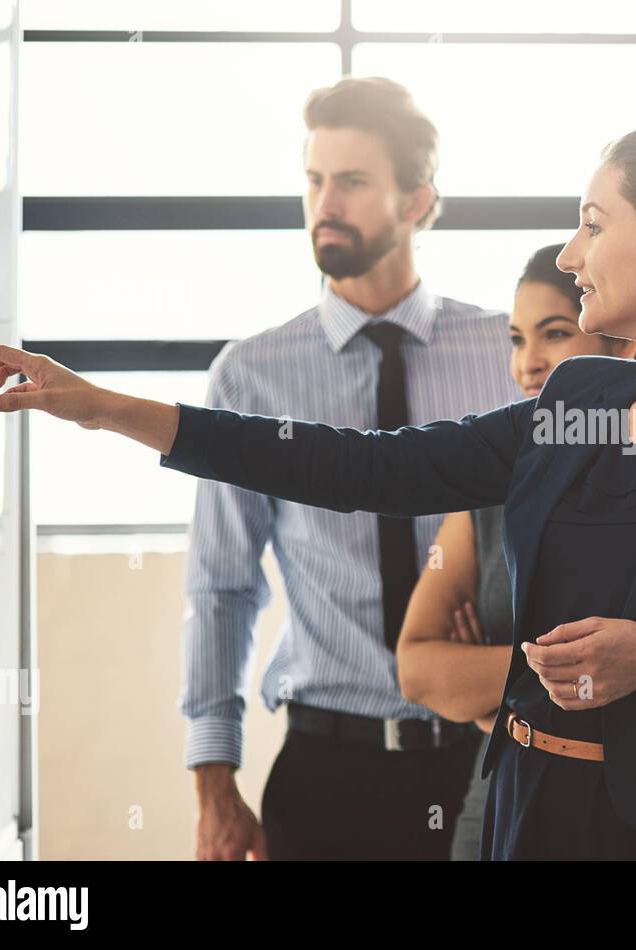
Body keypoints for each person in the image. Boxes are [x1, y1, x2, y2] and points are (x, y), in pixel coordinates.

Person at [0, 121, 636, 861]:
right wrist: (110, 409)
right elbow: (369, 466)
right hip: (524, 815)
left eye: (595, 223)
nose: (572, 253)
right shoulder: (581, 400)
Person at [178, 77, 519, 860]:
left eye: (353, 182)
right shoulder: (251, 375)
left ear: (417, 200)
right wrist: (213, 782)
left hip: (487, 753)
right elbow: (221, 586)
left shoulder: (508, 352)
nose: (325, 202)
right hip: (327, 769)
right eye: (314, 180)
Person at [395, 244, 636, 861]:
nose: (528, 363)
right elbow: (418, 668)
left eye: (553, 334)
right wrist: (554, 674)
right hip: (505, 798)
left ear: (625, 345)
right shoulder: (494, 486)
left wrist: (493, 687)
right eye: (516, 338)